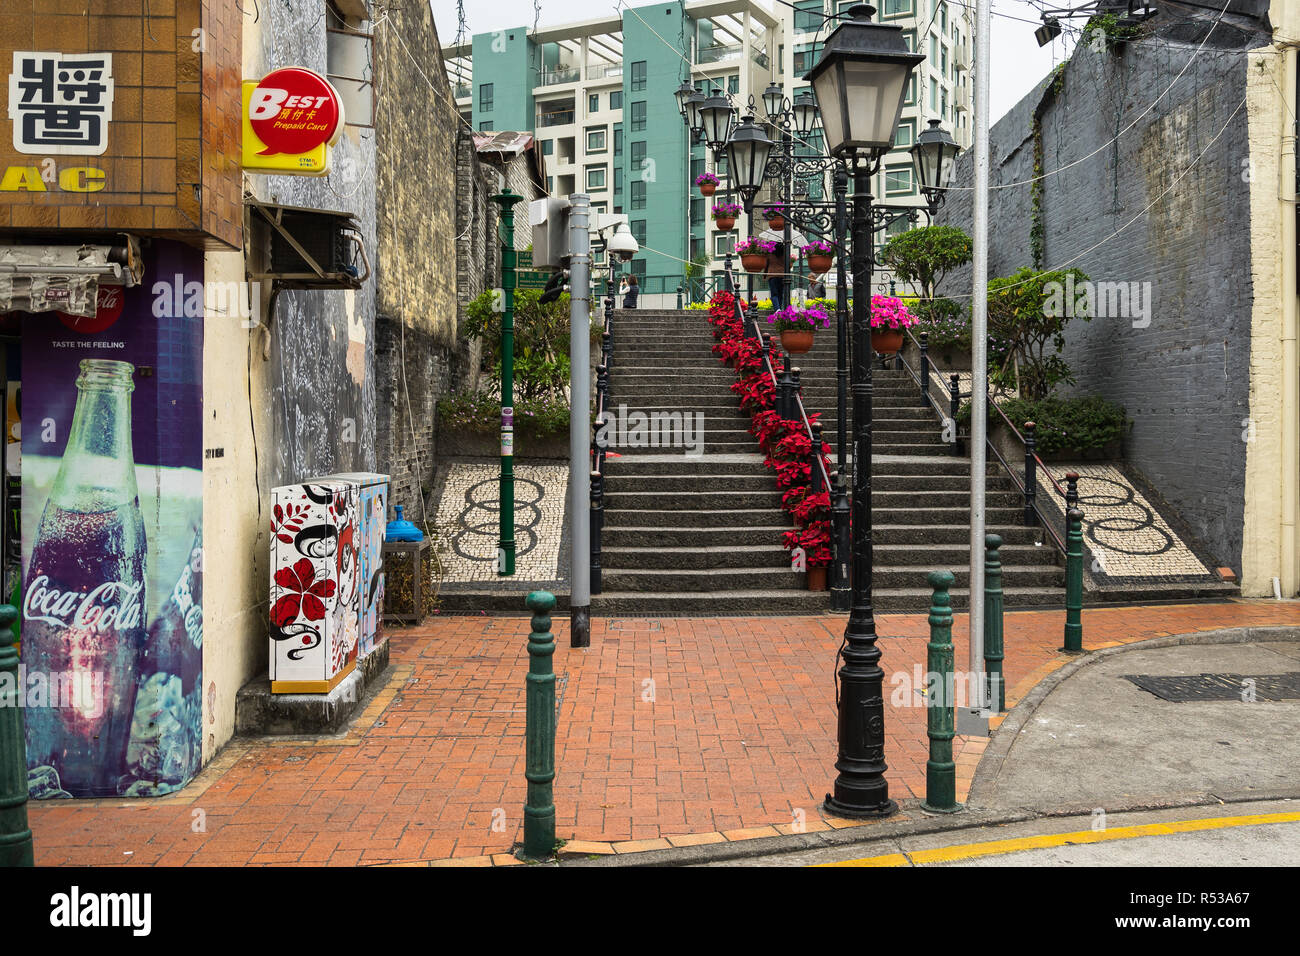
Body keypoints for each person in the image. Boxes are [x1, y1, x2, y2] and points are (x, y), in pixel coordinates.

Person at [765, 241, 786, 311]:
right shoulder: (784, 254)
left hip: (772, 276)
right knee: (780, 294)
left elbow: (766, 265)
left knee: (774, 294)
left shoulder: (770, 254)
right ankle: (779, 309)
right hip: (782, 276)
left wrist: (765, 275)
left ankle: (777, 310)